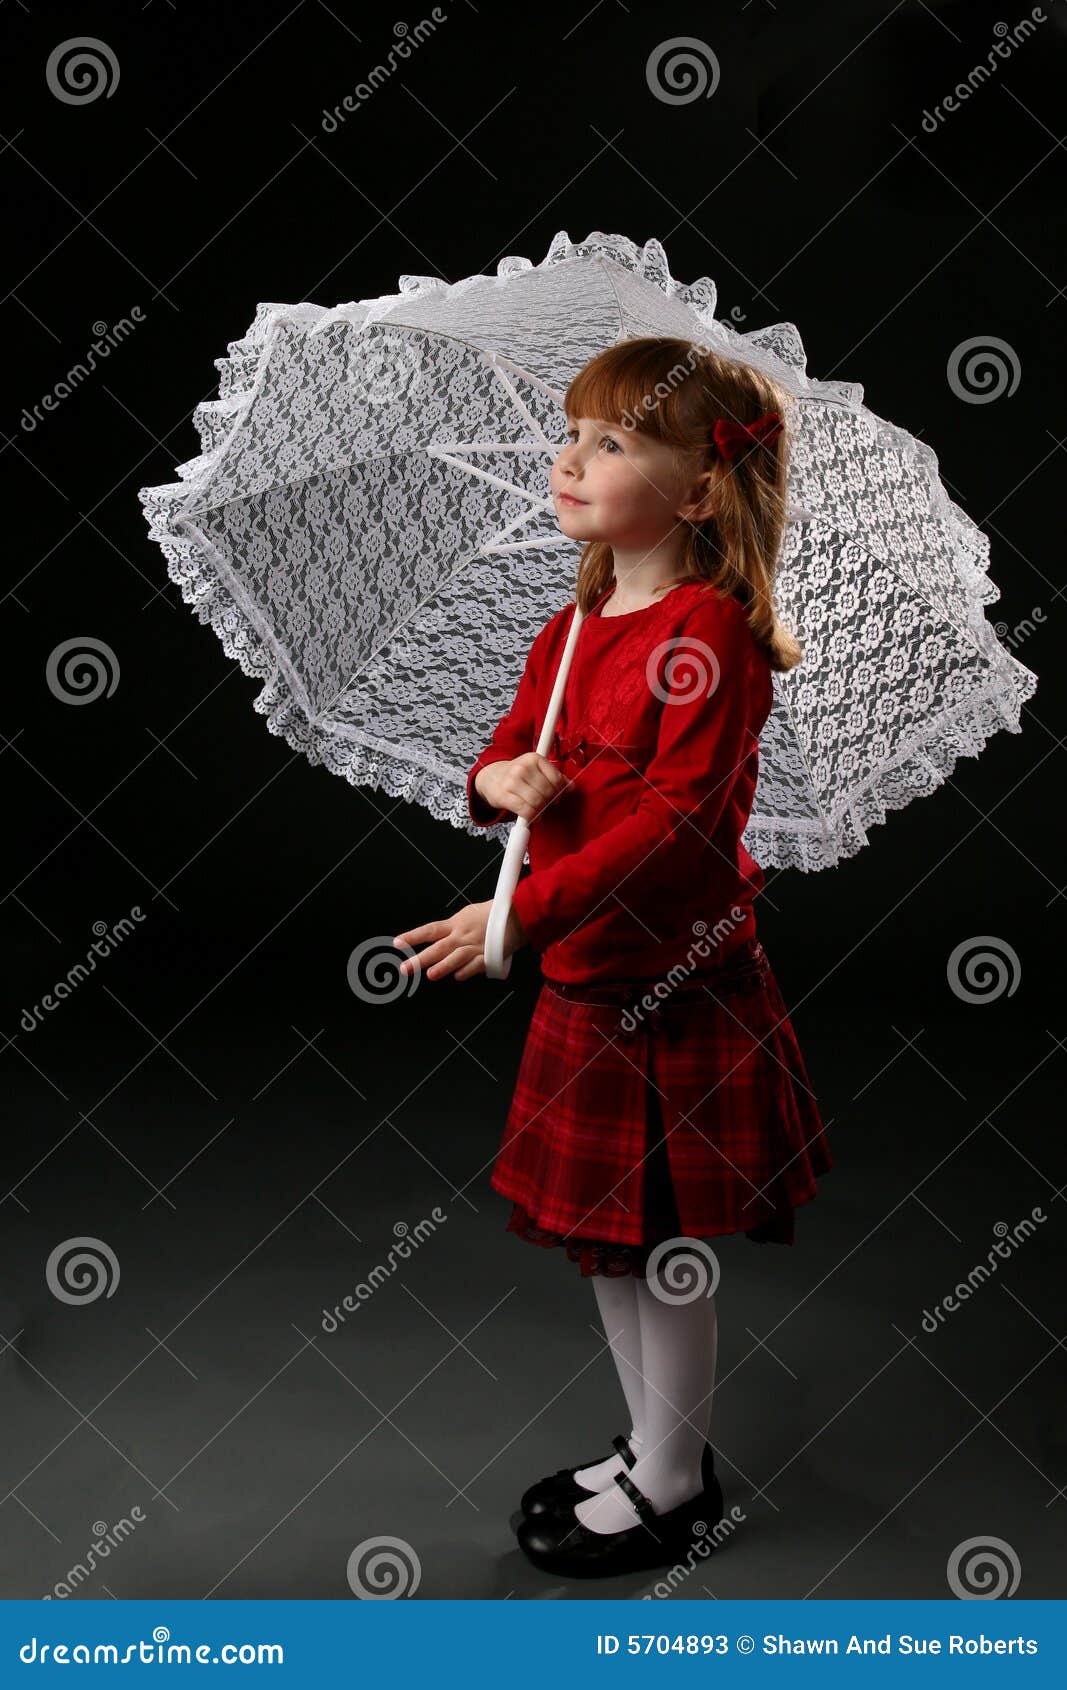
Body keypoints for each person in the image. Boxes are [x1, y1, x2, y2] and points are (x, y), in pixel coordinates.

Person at [392, 336, 832, 1578]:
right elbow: (506, 750)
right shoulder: (574, 624)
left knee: (662, 1248)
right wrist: (497, 779)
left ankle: (675, 1483)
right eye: (570, 435)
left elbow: (675, 827)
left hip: (670, 987)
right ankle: (649, 1443)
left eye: (611, 442)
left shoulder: (711, 635)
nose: (569, 460)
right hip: (587, 985)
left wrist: (521, 914)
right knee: (606, 1238)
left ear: (698, 490)